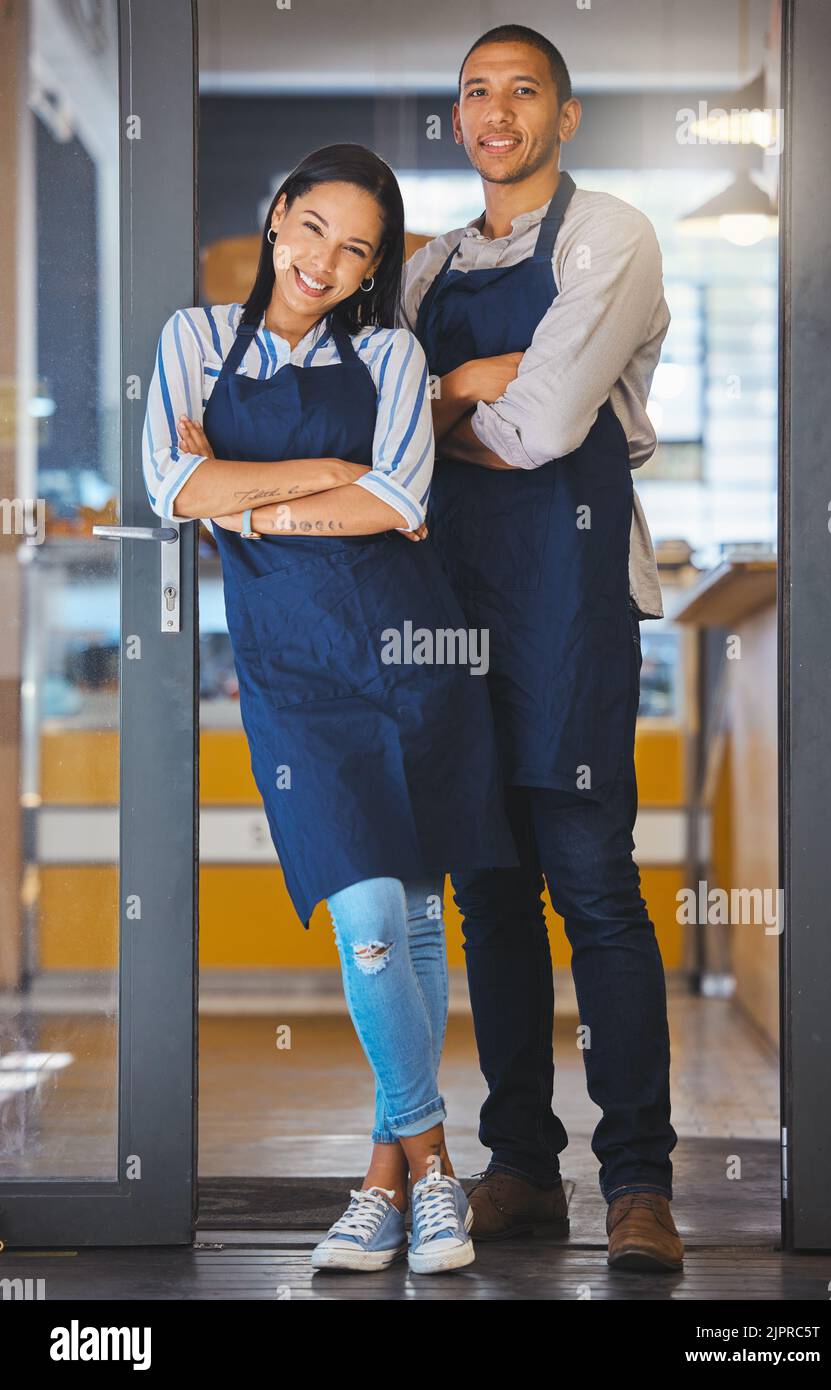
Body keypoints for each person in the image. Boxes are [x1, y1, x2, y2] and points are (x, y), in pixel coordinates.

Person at [141, 143, 520, 1275]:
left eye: (358, 249)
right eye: (313, 230)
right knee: (365, 925)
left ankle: (379, 1188)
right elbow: (169, 484)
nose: (327, 260)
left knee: (411, 917)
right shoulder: (195, 338)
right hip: (295, 675)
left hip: (412, 655)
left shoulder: (396, 352)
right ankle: (438, 1161)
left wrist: (245, 504)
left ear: (372, 270)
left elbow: (401, 496)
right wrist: (319, 481)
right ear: (276, 219)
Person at [401, 25, 684, 1270]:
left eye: (524, 92)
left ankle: (639, 1183)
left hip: (570, 605)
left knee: (595, 890)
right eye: (477, 92)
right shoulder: (421, 270)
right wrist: (472, 377)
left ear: (564, 117)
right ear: (457, 118)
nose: (496, 111)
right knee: (490, 900)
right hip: (455, 601)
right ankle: (521, 1165)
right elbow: (383, 431)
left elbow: (539, 428)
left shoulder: (608, 235)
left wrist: (449, 401)